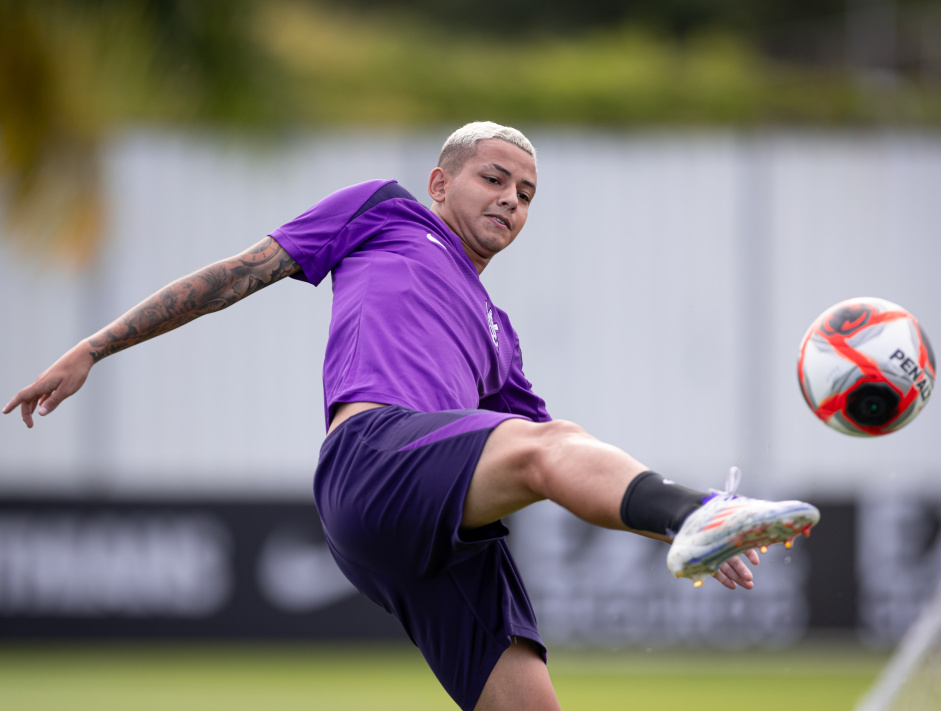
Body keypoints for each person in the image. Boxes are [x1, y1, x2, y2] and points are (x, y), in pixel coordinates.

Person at [4, 121, 819, 710]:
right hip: (372, 457)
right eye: (492, 178)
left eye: (526, 194)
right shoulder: (383, 213)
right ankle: (699, 510)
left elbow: (564, 477)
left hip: (433, 531)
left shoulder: (499, 336)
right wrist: (94, 346)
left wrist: (688, 539)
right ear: (441, 183)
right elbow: (238, 273)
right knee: (549, 444)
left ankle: (699, 519)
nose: (510, 200)